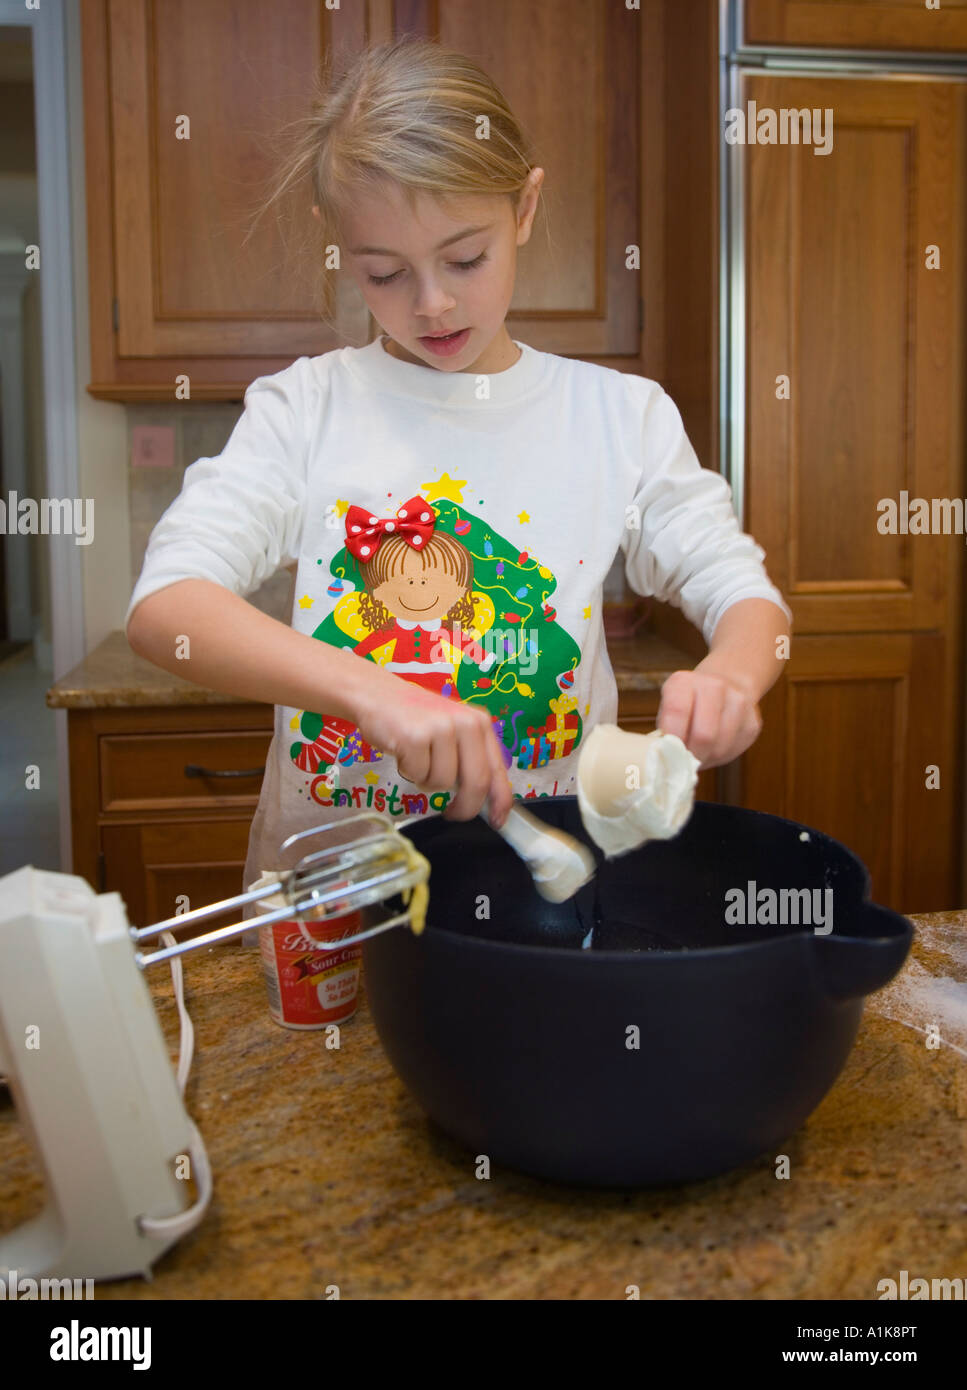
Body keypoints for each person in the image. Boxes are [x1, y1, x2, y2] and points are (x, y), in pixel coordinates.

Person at [125, 37, 792, 899]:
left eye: (464, 258)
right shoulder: (304, 409)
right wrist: (375, 695)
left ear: (524, 207)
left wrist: (731, 677)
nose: (432, 302)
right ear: (341, 246)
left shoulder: (617, 417)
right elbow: (165, 609)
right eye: (384, 273)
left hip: (538, 893)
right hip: (334, 905)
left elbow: (746, 598)